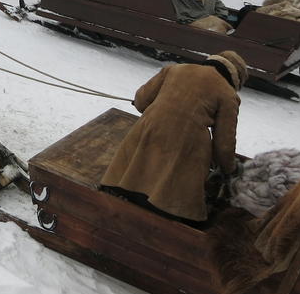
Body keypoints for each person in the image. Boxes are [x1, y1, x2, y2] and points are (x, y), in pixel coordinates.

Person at [101, 51, 246, 223]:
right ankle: (169, 209)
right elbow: (224, 145)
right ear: (236, 78)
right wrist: (229, 170)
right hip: (187, 146)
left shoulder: (175, 70)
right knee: (183, 206)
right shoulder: (228, 94)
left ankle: (124, 188)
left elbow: (141, 102)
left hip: (150, 130)